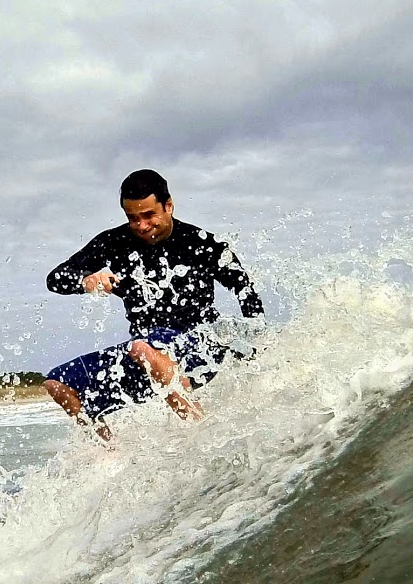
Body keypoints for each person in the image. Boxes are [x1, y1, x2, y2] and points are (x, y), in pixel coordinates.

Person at [43, 169, 263, 440]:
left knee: (142, 347)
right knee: (58, 382)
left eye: (149, 215)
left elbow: (247, 294)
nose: (142, 226)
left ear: (168, 205)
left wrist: (257, 350)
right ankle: (110, 458)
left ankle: (204, 435)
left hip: (200, 350)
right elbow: (55, 279)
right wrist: (86, 281)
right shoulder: (115, 242)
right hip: (146, 356)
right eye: (133, 218)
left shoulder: (203, 244)